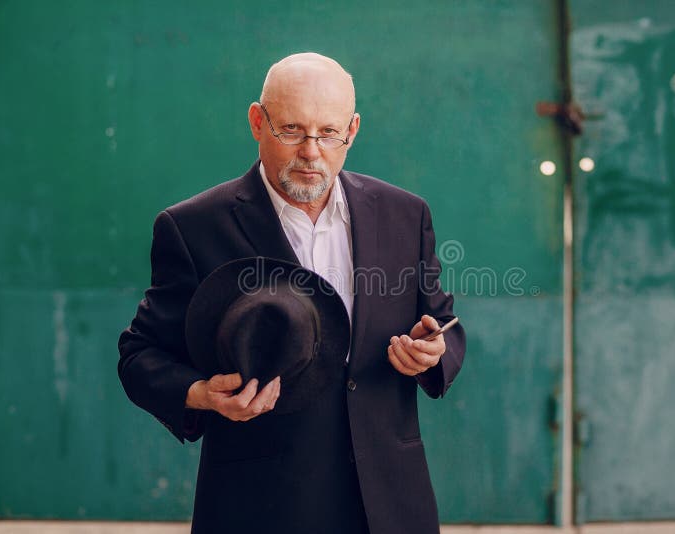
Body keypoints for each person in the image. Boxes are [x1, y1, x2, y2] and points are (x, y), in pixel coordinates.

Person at [118, 52, 466, 534]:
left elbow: (444, 323)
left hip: (391, 502)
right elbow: (139, 356)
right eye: (292, 130)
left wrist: (433, 351)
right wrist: (201, 395)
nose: (311, 150)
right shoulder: (191, 227)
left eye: (329, 132)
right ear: (257, 122)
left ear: (353, 130)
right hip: (259, 505)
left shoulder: (406, 214)